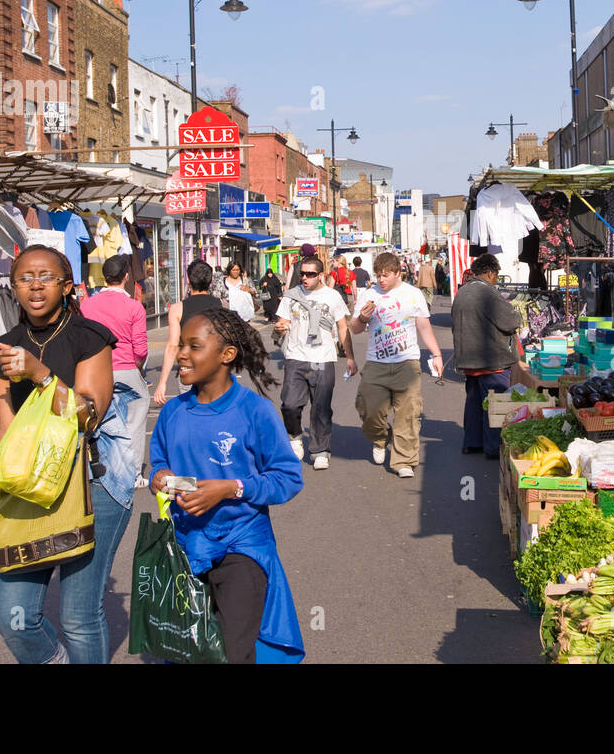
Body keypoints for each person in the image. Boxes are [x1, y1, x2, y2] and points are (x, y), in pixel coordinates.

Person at [0, 245, 132, 664]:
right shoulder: (2, 349)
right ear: (13, 286)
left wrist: (40, 374)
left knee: (78, 616)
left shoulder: (89, 338)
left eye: (45, 277)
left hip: (92, 482)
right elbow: (6, 430)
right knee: (13, 616)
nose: (35, 285)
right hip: (27, 484)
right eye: (24, 277)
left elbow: (88, 416)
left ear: (66, 286)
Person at [149, 307, 304, 664]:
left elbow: (288, 478)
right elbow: (162, 466)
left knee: (233, 652)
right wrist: (162, 478)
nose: (181, 354)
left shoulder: (255, 411)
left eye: (194, 346)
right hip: (186, 548)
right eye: (180, 346)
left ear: (226, 355)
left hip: (243, 546)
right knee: (193, 649)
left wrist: (230, 488)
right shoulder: (173, 412)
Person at [349, 251, 444, 478]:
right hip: (376, 362)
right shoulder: (368, 295)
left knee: (408, 413)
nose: (381, 280)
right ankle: (381, 439)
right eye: (378, 275)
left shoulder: (413, 294)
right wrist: (362, 317)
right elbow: (354, 328)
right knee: (368, 409)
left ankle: (404, 460)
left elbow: (423, 326)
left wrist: (436, 354)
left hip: (407, 362)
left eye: (386, 275)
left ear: (397, 273)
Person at [274, 258, 355, 469]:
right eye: (302, 273)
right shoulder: (292, 296)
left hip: (323, 357)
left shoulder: (332, 296)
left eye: (310, 274)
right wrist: (280, 328)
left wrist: (350, 357)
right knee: (290, 404)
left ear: (320, 275)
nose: (305, 278)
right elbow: (282, 323)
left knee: (321, 407)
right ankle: (295, 436)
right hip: (296, 356)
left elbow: (342, 327)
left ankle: (320, 450)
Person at [80, 255, 151, 487]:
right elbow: (140, 349)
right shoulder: (134, 307)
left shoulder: (86, 305)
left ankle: (99, 467)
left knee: (97, 421)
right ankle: (133, 473)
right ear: (126, 277)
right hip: (126, 368)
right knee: (135, 419)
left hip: (94, 371)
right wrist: (137, 367)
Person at [451, 254, 522, 459]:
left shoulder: (462, 292)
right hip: (491, 360)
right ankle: (493, 448)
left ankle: (472, 443)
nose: (496, 280)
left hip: (468, 359)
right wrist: (515, 313)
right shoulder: (488, 294)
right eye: (496, 276)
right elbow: (510, 321)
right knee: (495, 403)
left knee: (473, 402)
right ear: (490, 273)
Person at [154, 259, 222, 406]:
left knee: (190, 410)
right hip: (213, 368)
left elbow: (172, 346)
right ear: (210, 281)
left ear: (188, 281)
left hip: (189, 367)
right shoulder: (220, 305)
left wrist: (162, 383)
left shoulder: (178, 308)